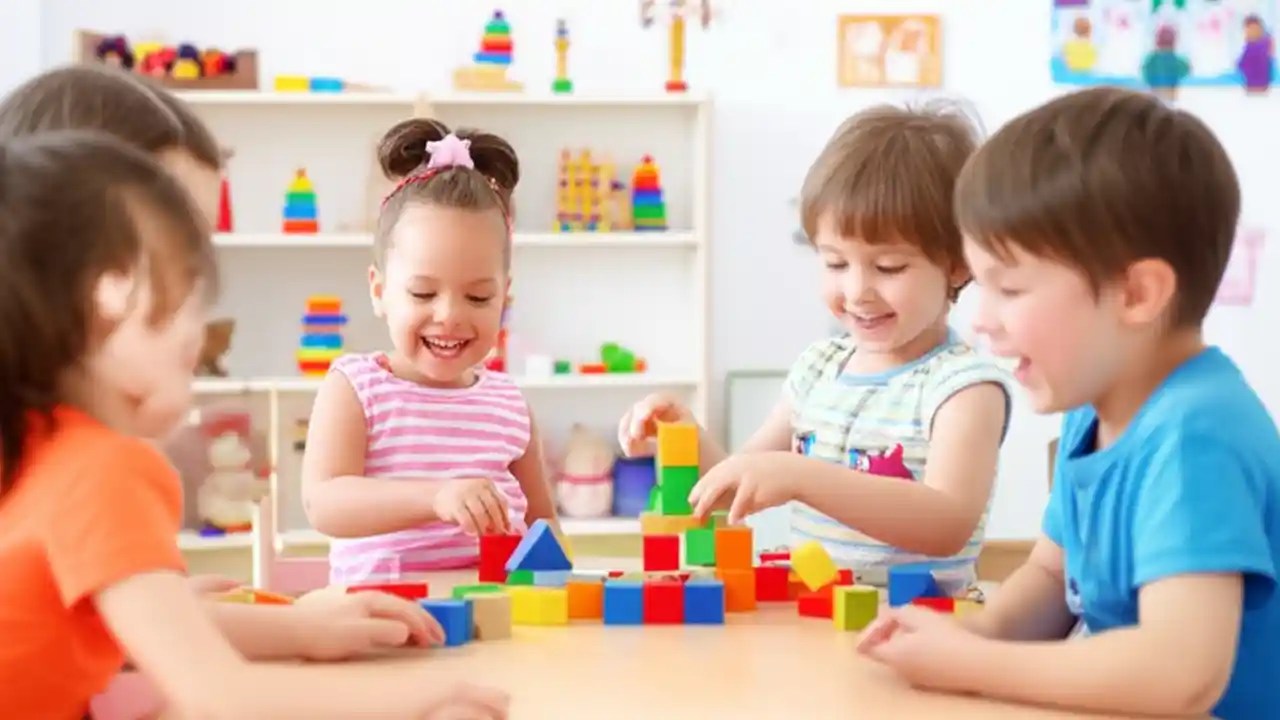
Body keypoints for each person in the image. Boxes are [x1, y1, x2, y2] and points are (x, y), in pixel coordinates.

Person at [0, 131, 509, 719]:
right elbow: (222, 695)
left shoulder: (34, 448)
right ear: (110, 305)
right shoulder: (99, 471)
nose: (200, 332)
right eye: (186, 299)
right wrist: (420, 701)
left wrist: (300, 630)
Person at [857, 86, 1280, 720]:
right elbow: (1053, 580)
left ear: (1136, 294)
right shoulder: (1096, 407)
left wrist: (972, 664)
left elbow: (1181, 673)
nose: (983, 324)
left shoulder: (1196, 434)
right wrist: (969, 638)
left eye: (1010, 288)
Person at [619, 103, 1011, 589]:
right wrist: (685, 436)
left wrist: (801, 476)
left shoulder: (963, 388)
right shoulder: (818, 370)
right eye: (835, 263)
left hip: (924, 628)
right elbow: (735, 484)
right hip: (817, 615)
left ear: (957, 265)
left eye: (888, 267)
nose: (857, 291)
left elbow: (948, 523)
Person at [302, 118, 559, 585]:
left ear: (505, 297)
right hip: (384, 623)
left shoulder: (509, 404)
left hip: (497, 622)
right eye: (422, 294)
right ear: (379, 291)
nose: (450, 316)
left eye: (479, 297)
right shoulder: (357, 388)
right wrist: (435, 497)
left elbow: (543, 526)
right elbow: (324, 504)